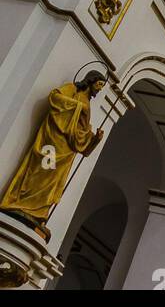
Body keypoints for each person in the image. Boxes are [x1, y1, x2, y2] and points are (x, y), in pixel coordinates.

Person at [0, 72, 107, 239]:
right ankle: (21, 205)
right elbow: (54, 98)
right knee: (40, 171)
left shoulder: (87, 103)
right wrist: (78, 107)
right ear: (91, 81)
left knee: (54, 183)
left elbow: (82, 139)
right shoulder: (73, 89)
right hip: (52, 141)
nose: (100, 89)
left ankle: (38, 215)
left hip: (67, 152)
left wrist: (94, 139)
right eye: (100, 84)